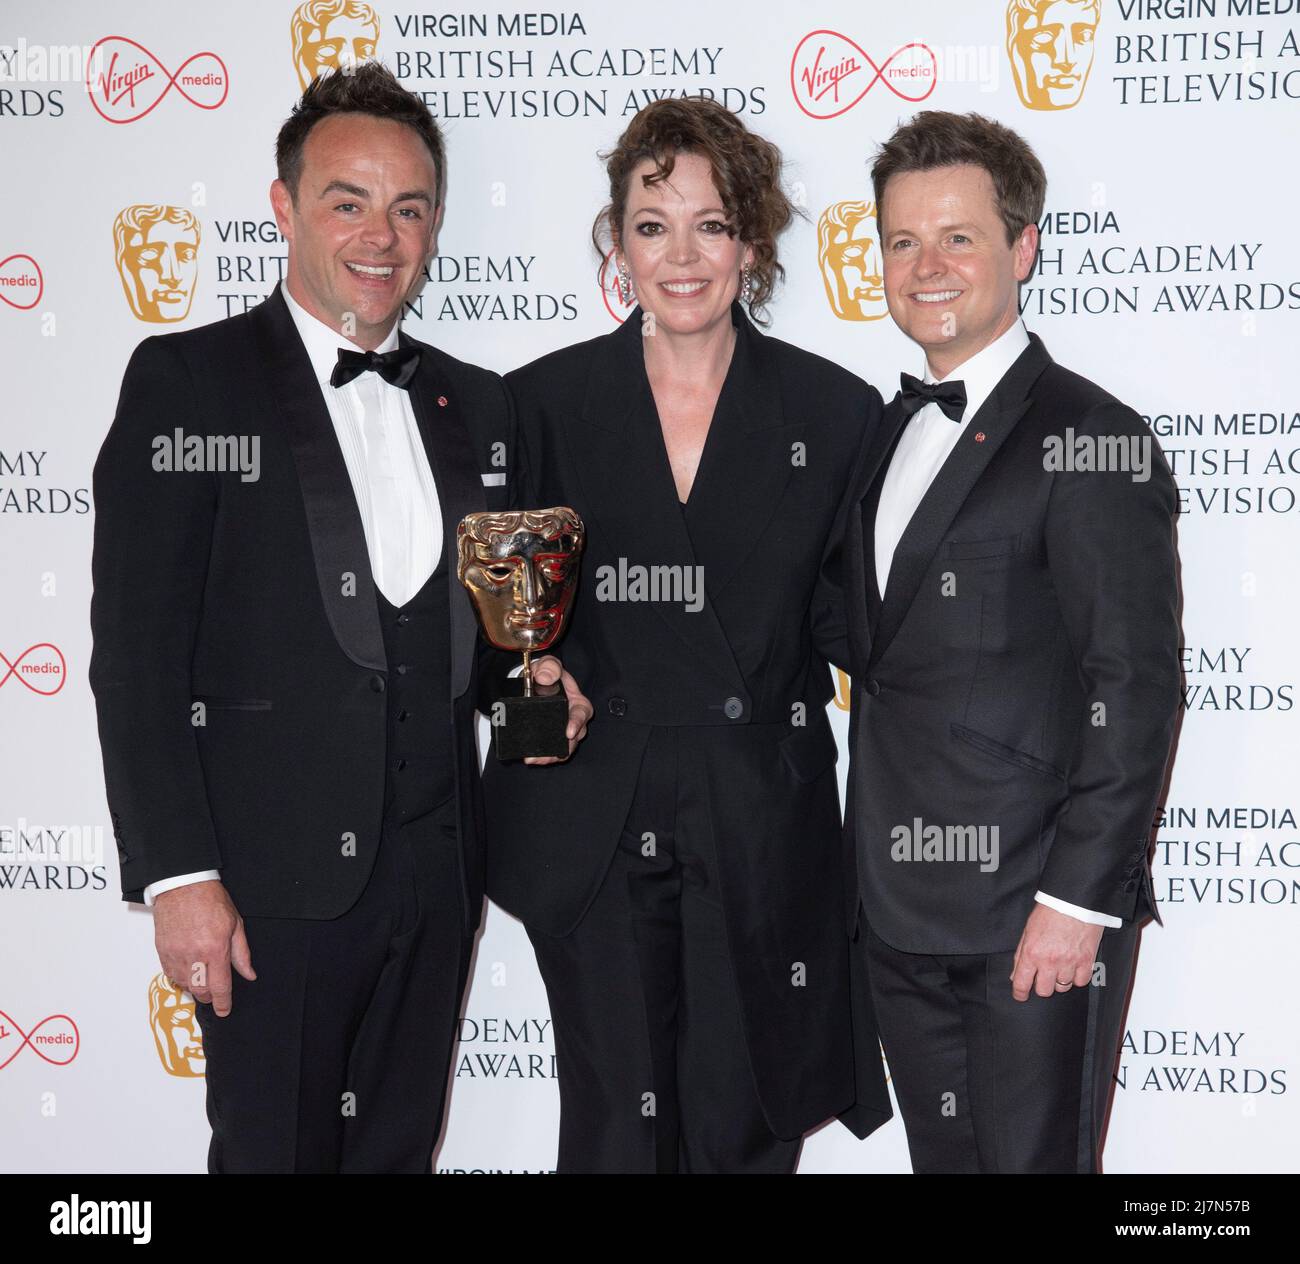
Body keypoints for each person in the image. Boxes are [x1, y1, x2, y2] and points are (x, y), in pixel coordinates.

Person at [89, 61, 588, 1174]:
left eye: (408, 209)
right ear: (284, 207)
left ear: (435, 226)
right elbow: (135, 658)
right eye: (346, 202)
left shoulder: (479, 402)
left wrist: (535, 697)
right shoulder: (189, 382)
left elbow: (496, 648)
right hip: (267, 891)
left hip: (437, 872)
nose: (381, 235)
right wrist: (179, 879)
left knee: (395, 1156)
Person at [482, 97, 892, 1173]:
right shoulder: (536, 405)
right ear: (616, 240)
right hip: (593, 809)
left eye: (710, 224)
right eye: (651, 224)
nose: (680, 255)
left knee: (740, 1125)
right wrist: (530, 677)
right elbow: (488, 626)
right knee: (616, 1128)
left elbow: (860, 624)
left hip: (757, 813)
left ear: (750, 242)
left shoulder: (835, 413)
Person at [838, 110, 1180, 1173]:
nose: (925, 267)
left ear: (1022, 247)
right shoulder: (883, 430)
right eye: (901, 242)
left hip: (1031, 920)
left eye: (958, 237)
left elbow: (1136, 686)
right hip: (897, 910)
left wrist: (1077, 904)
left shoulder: (1093, 434)